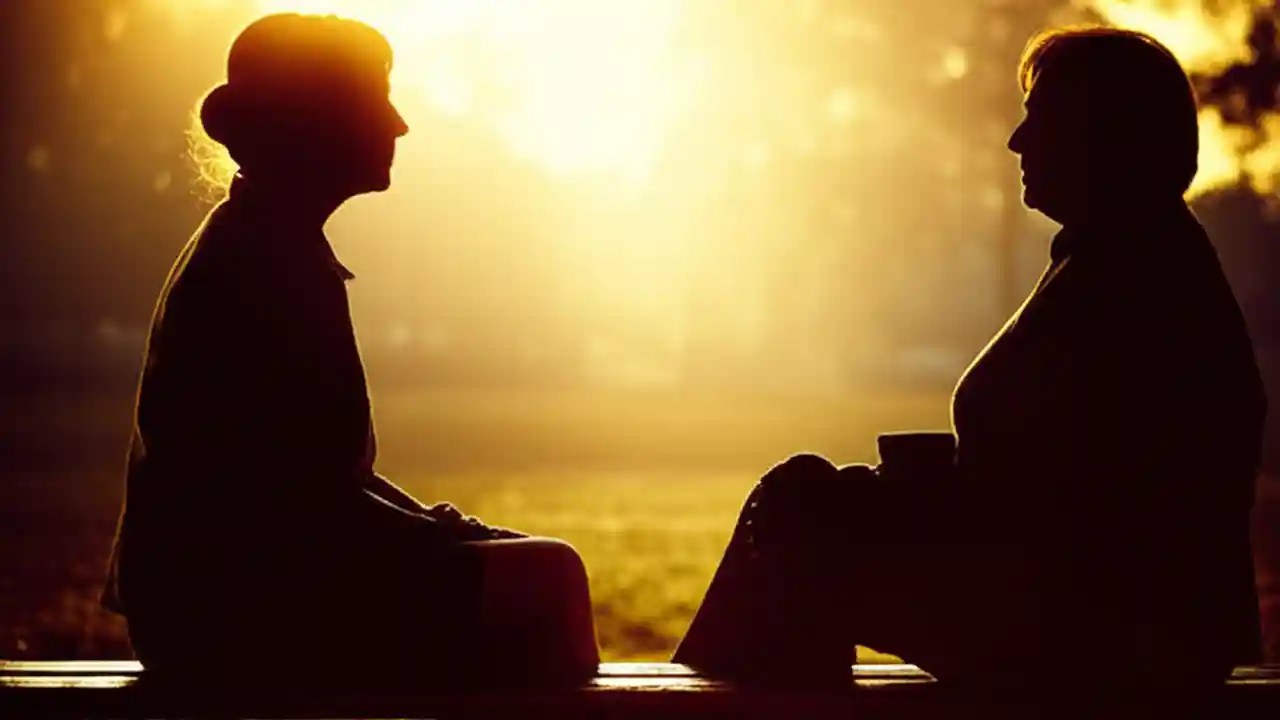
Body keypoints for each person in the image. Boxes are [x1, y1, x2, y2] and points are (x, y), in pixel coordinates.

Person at [675, 27, 1267, 691]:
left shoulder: (1135, 281)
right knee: (801, 505)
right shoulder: (1122, 259)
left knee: (795, 518)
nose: (1017, 141)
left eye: (1040, 118)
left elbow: (1060, 510)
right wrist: (881, 496)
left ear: (1105, 133)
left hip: (1102, 637)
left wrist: (878, 504)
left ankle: (687, 705)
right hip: (1092, 616)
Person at [101, 13, 598, 688]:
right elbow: (304, 498)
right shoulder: (264, 265)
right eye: (375, 98)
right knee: (550, 576)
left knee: (531, 568)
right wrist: (440, 540)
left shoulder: (265, 242)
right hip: (235, 610)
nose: (398, 125)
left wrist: (436, 526)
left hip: (222, 597)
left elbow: (319, 474)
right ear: (314, 121)